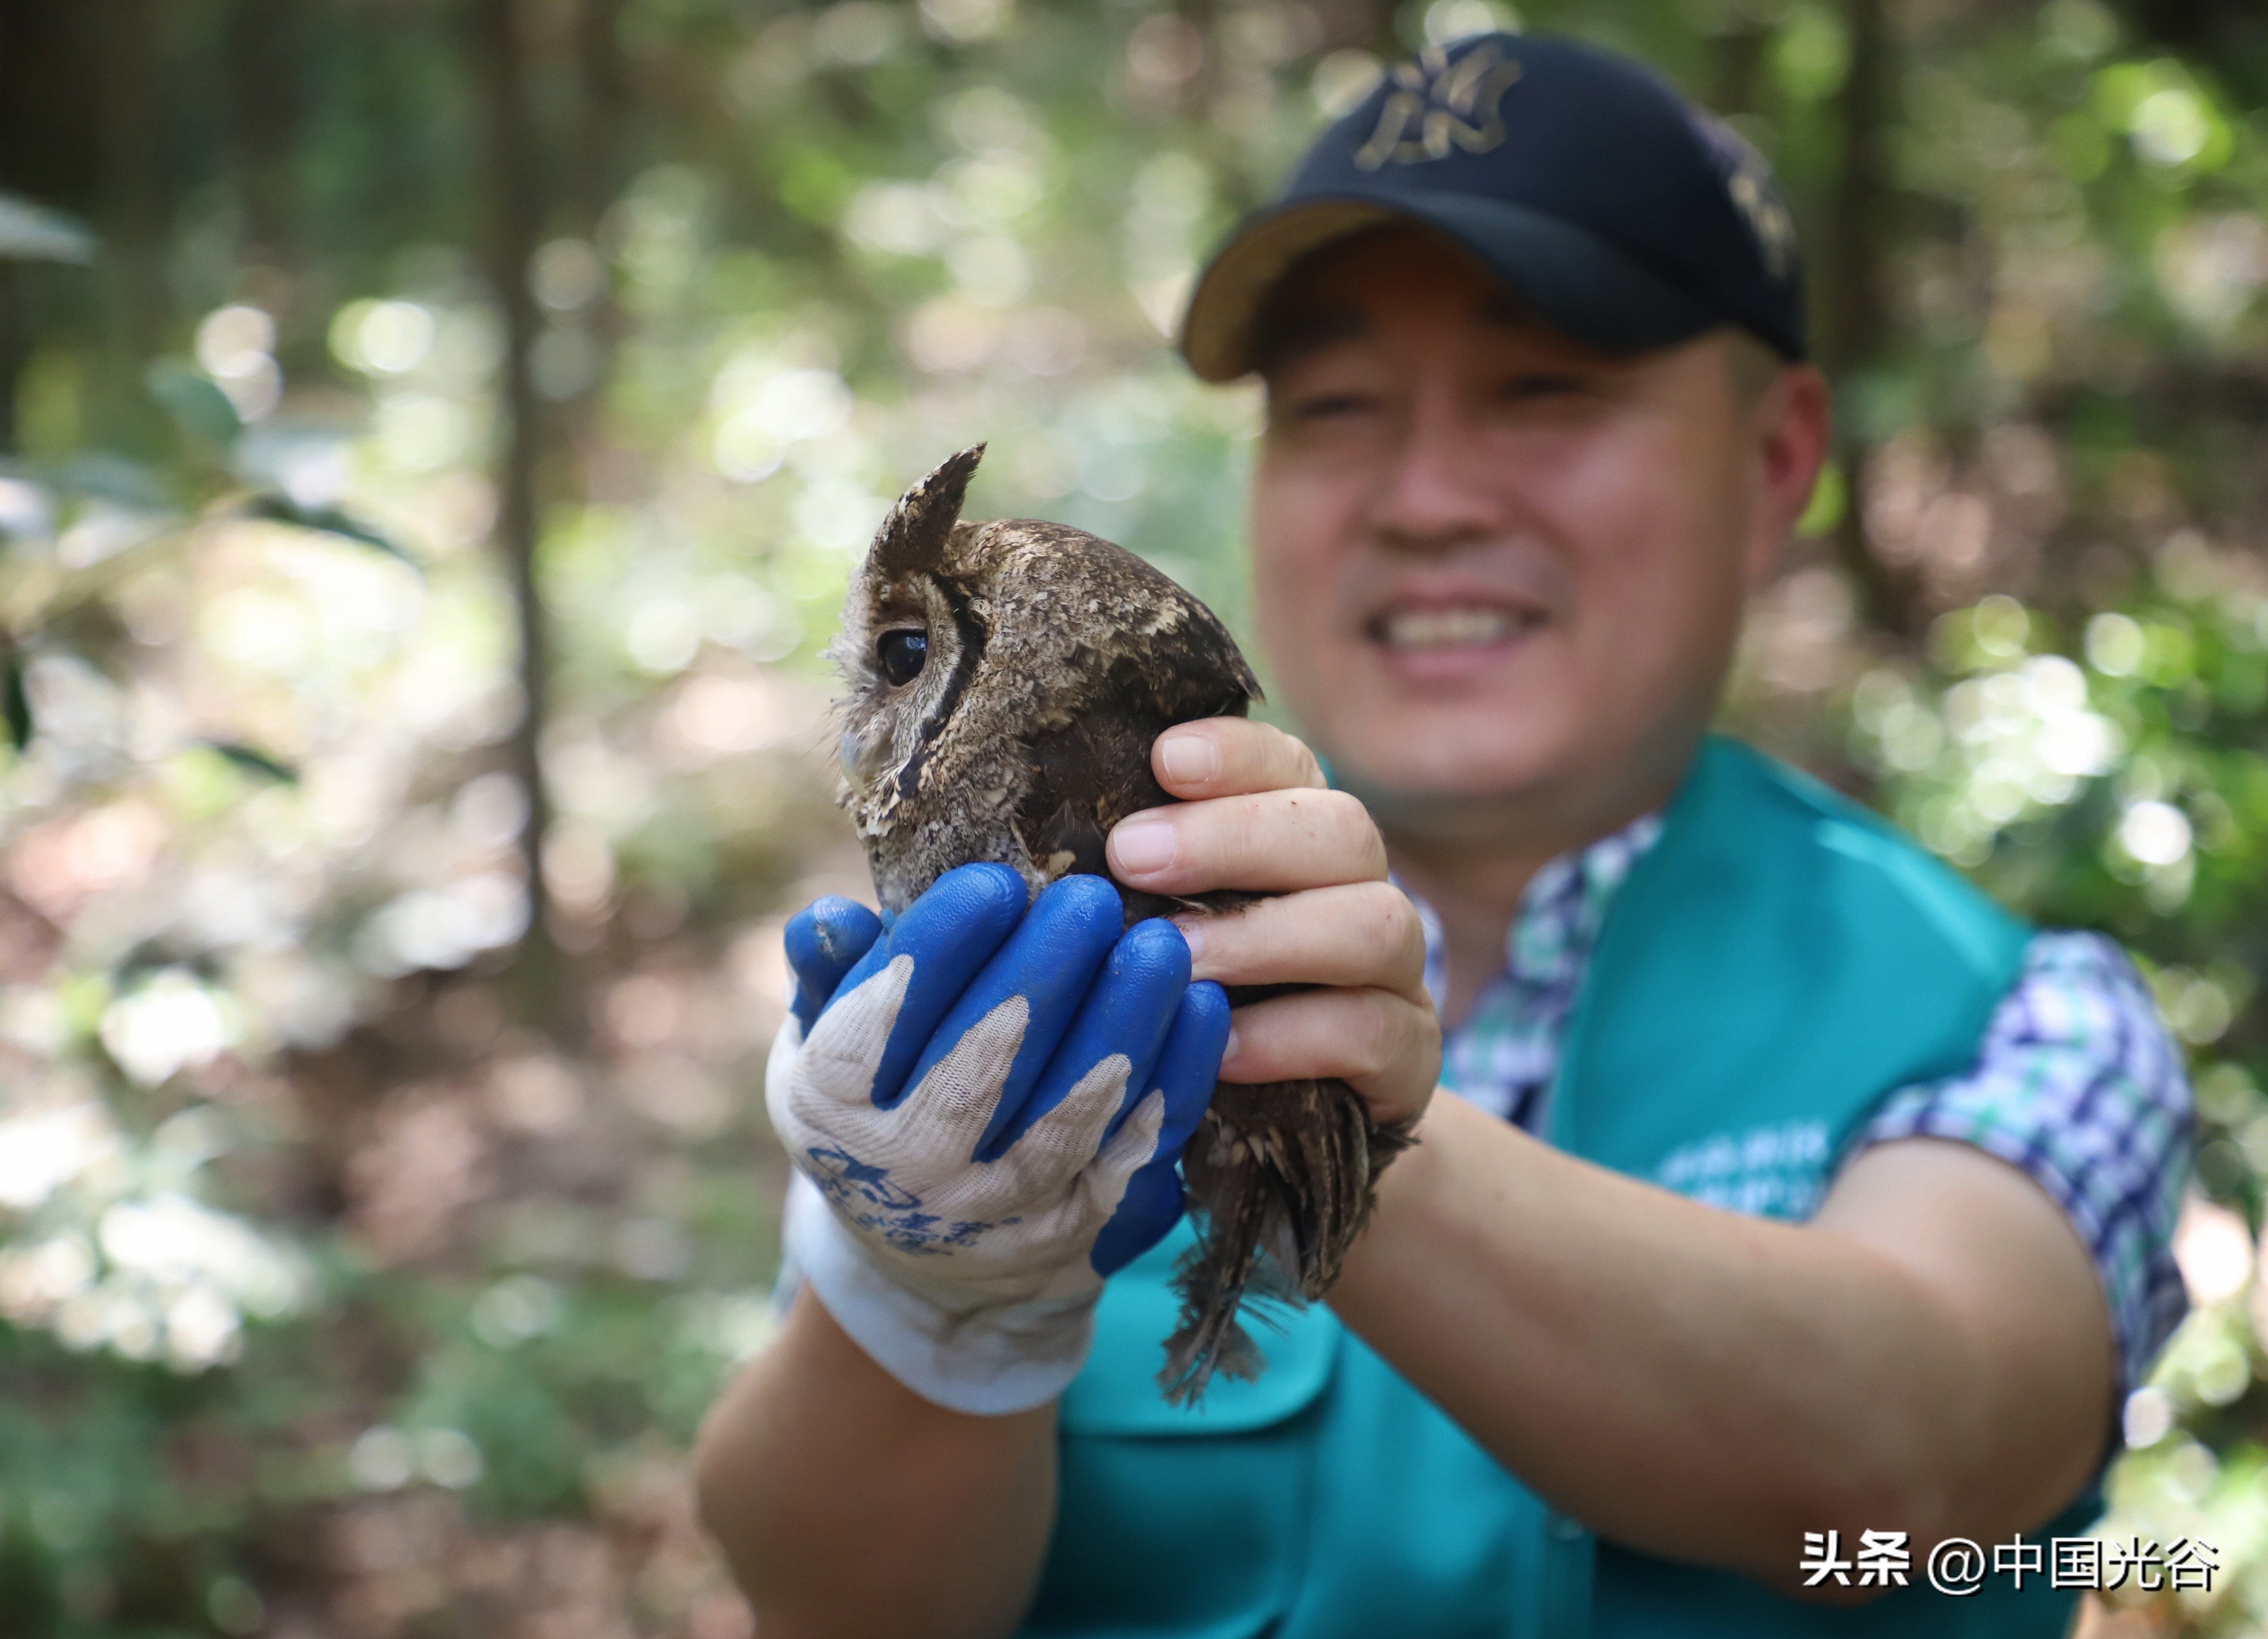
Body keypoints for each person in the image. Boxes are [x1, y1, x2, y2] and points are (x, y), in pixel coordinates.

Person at [693, 32, 2194, 1638]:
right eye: (1336, 407)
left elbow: (1913, 1471)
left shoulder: (2025, 1014)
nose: (1425, 500)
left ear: (1774, 464)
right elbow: (837, 1610)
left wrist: (1328, 1117)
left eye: (1544, 391)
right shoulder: (1004, 968)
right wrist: (926, 1298)